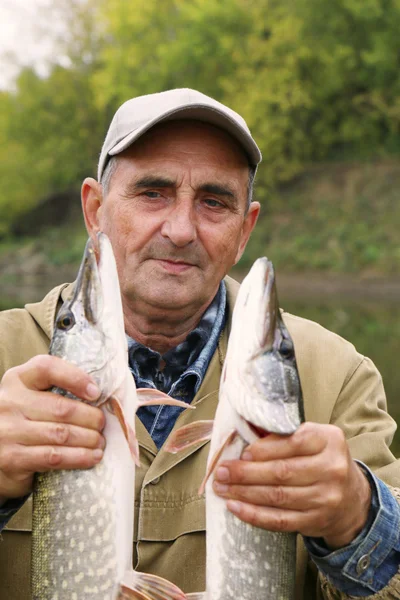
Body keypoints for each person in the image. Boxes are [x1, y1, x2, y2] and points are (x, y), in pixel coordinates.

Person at [0, 88, 399, 600]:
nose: (181, 229)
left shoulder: (339, 375)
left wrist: (356, 516)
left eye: (214, 202)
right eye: (152, 193)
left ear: (244, 230)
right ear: (94, 208)